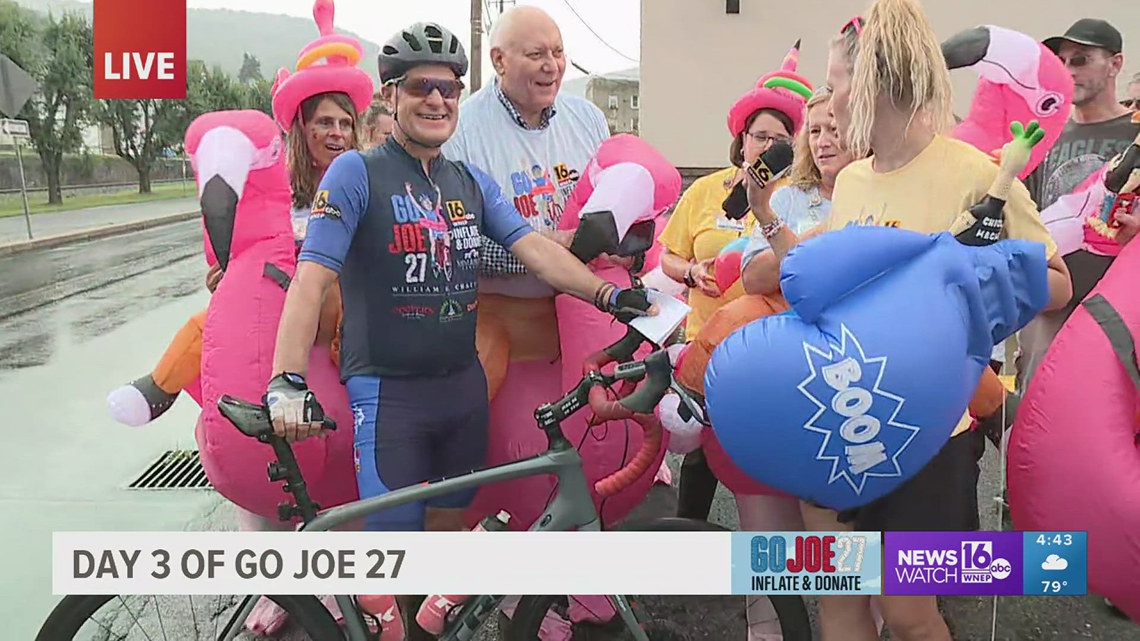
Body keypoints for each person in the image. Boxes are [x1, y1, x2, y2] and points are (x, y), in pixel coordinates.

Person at [265, 20, 652, 638]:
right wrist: (285, 379)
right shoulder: (357, 175)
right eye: (421, 87)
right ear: (391, 97)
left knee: (444, 549)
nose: (438, 100)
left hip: (461, 391)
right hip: (389, 394)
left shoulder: (466, 182)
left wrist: (608, 292)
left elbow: (534, 248)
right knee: (386, 567)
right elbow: (311, 279)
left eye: (449, 88)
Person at [743, 3, 1072, 639]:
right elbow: (827, 280)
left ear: (868, 84)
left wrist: (976, 282)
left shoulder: (975, 172)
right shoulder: (855, 181)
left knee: (909, 613)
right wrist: (765, 216)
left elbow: (1056, 283)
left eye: (834, 82)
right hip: (840, 413)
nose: (826, 99)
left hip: (928, 437)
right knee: (839, 595)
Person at [441, 4, 672, 532]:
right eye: (536, 54)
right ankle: (498, 587)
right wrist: (546, 248)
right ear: (498, 59)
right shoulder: (466, 130)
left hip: (584, 313)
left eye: (559, 52)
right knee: (505, 454)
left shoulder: (585, 117)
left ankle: (582, 573)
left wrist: (629, 247)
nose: (552, 65)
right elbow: (459, 243)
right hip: (504, 321)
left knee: (599, 447)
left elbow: (623, 204)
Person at [658, 44, 808, 525]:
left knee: (764, 467)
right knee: (700, 456)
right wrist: (690, 273)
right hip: (707, 345)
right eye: (759, 136)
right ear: (742, 142)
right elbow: (668, 255)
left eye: (780, 137)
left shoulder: (800, 198)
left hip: (773, 352)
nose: (767, 146)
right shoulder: (705, 190)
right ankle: (689, 554)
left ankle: (771, 572)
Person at [1016, 18, 1139, 391]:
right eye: (1063, 61)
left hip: (1122, 310)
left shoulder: (1135, 133)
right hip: (1051, 312)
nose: (1069, 71)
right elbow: (1028, 220)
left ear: (1115, 64)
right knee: (1038, 420)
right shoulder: (1043, 136)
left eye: (1082, 59)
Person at [740, 86, 857, 295]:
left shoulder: (882, 193)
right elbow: (752, 281)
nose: (822, 142)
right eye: (814, 131)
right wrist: (767, 216)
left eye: (834, 130)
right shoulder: (786, 198)